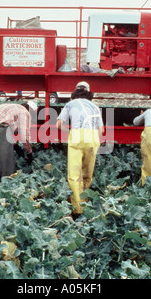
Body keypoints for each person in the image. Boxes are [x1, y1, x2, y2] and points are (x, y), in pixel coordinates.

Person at [57, 81, 104, 217]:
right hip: (92, 138)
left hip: (77, 137)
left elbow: (59, 124)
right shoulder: (95, 107)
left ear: (75, 92)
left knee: (74, 175)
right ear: (89, 93)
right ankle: (85, 203)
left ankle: (77, 209)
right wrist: (96, 142)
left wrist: (71, 132)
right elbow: (101, 129)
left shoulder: (70, 104)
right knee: (87, 173)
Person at [0, 101, 37, 185]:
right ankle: (6, 188)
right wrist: (29, 153)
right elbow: (24, 137)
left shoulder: (11, 107)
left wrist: (15, 145)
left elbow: (8, 127)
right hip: (0, 130)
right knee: (5, 164)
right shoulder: (24, 112)